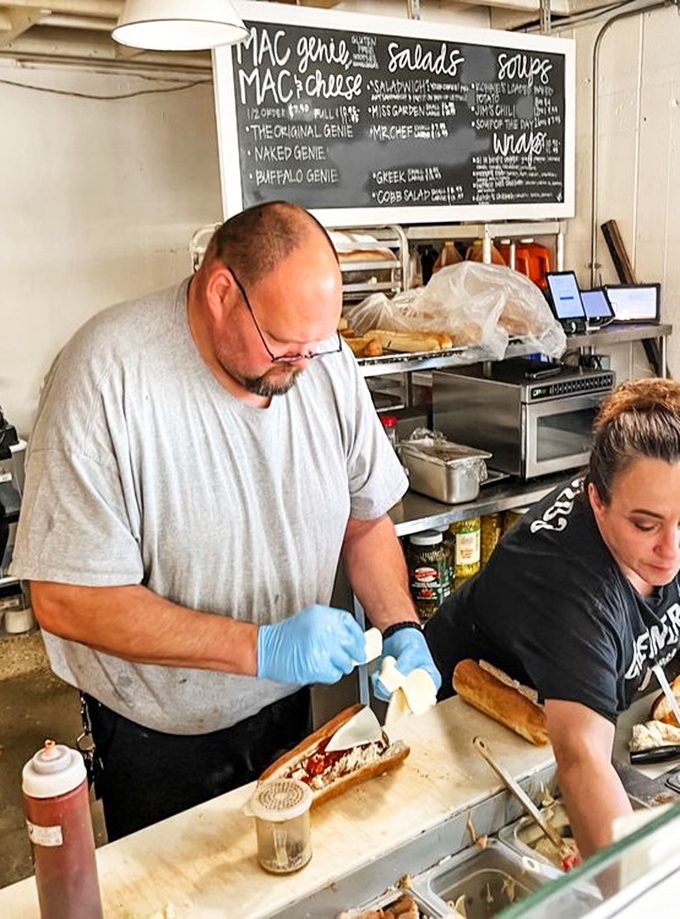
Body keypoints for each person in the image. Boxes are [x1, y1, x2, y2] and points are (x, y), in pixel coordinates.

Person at [10, 201, 440, 840]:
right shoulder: (106, 375)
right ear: (220, 292)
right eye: (285, 347)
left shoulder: (320, 362)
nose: (301, 366)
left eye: (315, 347)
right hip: (160, 733)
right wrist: (259, 647)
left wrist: (400, 625)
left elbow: (365, 516)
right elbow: (66, 599)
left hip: (288, 709)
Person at [425, 378, 680, 859]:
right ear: (597, 501)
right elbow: (582, 757)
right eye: (645, 525)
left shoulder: (663, 520)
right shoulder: (566, 587)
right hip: (468, 738)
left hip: (571, 716)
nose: (671, 552)